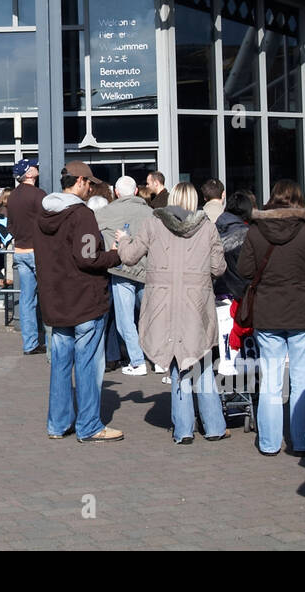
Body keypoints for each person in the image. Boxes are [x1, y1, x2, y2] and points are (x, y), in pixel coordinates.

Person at [118, 181, 228, 442]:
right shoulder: (207, 227)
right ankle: (213, 427)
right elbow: (218, 268)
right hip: (196, 303)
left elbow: (130, 256)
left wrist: (122, 242)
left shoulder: (153, 223)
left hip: (163, 303)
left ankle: (183, 430)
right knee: (201, 359)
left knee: (178, 362)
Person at [36, 161, 125, 442]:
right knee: (86, 364)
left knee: (61, 365)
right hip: (84, 301)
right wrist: (115, 254)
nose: (91, 188)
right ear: (79, 183)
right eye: (89, 184)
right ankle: (89, 426)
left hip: (56, 302)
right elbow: (88, 258)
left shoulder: (44, 214)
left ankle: (58, 424)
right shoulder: (82, 215)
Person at [237, 179, 305, 456]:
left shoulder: (256, 231)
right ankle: (303, 440)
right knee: (301, 380)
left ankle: (269, 443)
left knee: (271, 381)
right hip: (301, 313)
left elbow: (245, 270)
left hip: (268, 312)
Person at [96, 175, 153, 376]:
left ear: (116, 193)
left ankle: (137, 361)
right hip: (147, 270)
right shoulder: (151, 213)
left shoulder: (107, 211)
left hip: (121, 269)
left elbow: (92, 230)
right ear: (136, 191)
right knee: (150, 317)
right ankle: (158, 360)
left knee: (125, 319)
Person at [7, 157, 46, 355]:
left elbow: (10, 226)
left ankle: (29, 343)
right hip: (37, 251)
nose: (37, 167)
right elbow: (48, 222)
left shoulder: (12, 197)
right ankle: (51, 341)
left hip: (20, 250)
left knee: (26, 299)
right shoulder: (38, 195)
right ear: (28, 174)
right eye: (34, 167)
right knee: (48, 296)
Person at [213, 189, 253, 374]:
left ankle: (228, 391)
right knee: (245, 346)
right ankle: (246, 389)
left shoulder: (213, 229)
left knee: (226, 346)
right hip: (241, 296)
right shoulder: (247, 233)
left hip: (219, 292)